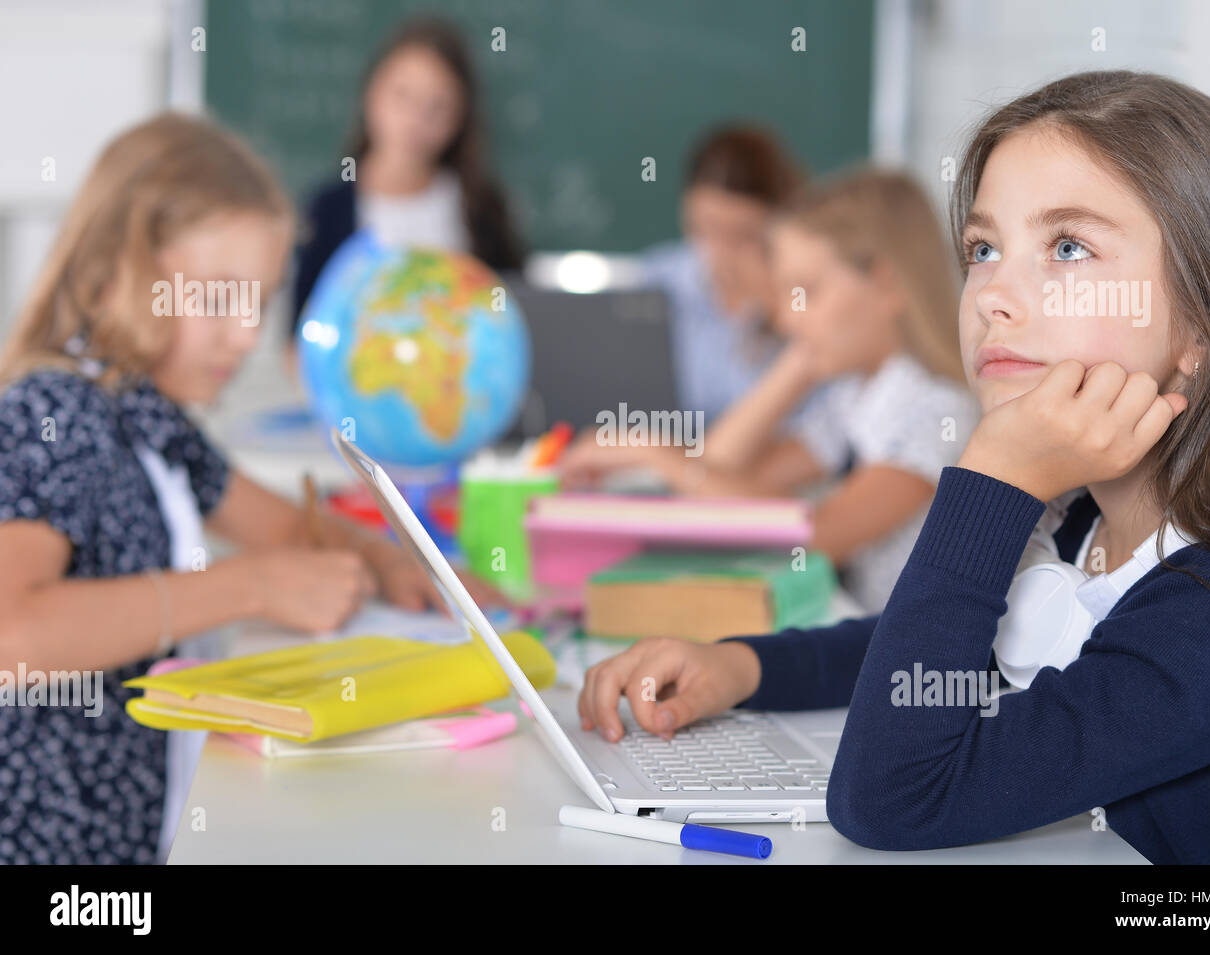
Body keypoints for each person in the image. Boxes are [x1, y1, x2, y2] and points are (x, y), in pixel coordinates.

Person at [575, 71, 1210, 864]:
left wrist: (994, 482)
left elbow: (889, 797)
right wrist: (741, 664)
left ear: (1203, 324)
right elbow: (931, 656)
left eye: (1067, 247)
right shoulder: (1083, 526)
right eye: (983, 249)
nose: (993, 294)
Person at [0, 113, 463, 864]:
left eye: (262, 299)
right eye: (221, 295)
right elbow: (10, 635)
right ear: (124, 270)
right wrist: (246, 587)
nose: (247, 334)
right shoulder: (54, 408)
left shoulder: (148, 416)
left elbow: (286, 530)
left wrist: (403, 566)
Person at [564, 168, 980, 615]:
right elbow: (721, 470)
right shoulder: (858, 395)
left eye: (806, 292)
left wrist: (653, 454)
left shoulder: (936, 412)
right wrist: (799, 364)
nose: (785, 318)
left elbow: (816, 535)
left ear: (884, 283)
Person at [289, 16, 524, 346]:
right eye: (402, 95)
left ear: (460, 119)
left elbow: (514, 314)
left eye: (437, 106)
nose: (415, 120)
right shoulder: (327, 210)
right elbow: (296, 334)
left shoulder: (480, 209)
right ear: (371, 92)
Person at [640, 125, 803, 424]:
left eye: (743, 236)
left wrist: (779, 316)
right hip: (663, 456)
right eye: (708, 228)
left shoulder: (801, 297)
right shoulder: (654, 281)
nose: (721, 253)